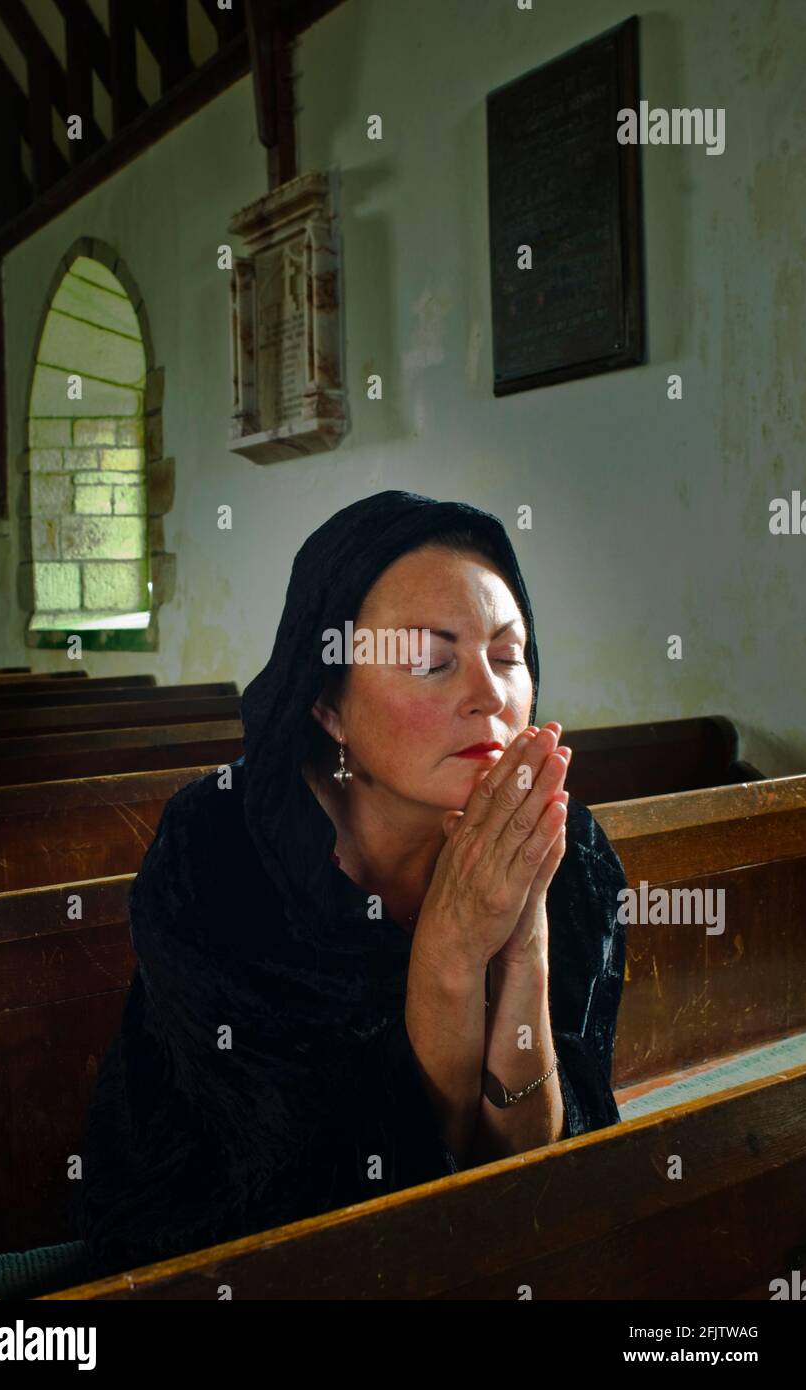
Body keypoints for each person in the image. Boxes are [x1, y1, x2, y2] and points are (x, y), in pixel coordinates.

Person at [72, 489, 627, 1281]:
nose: (490, 695)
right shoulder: (217, 850)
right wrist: (448, 955)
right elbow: (331, 1189)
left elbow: (535, 1166)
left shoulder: (560, 844)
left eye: (508, 657)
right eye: (431, 661)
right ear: (329, 705)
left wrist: (523, 939)